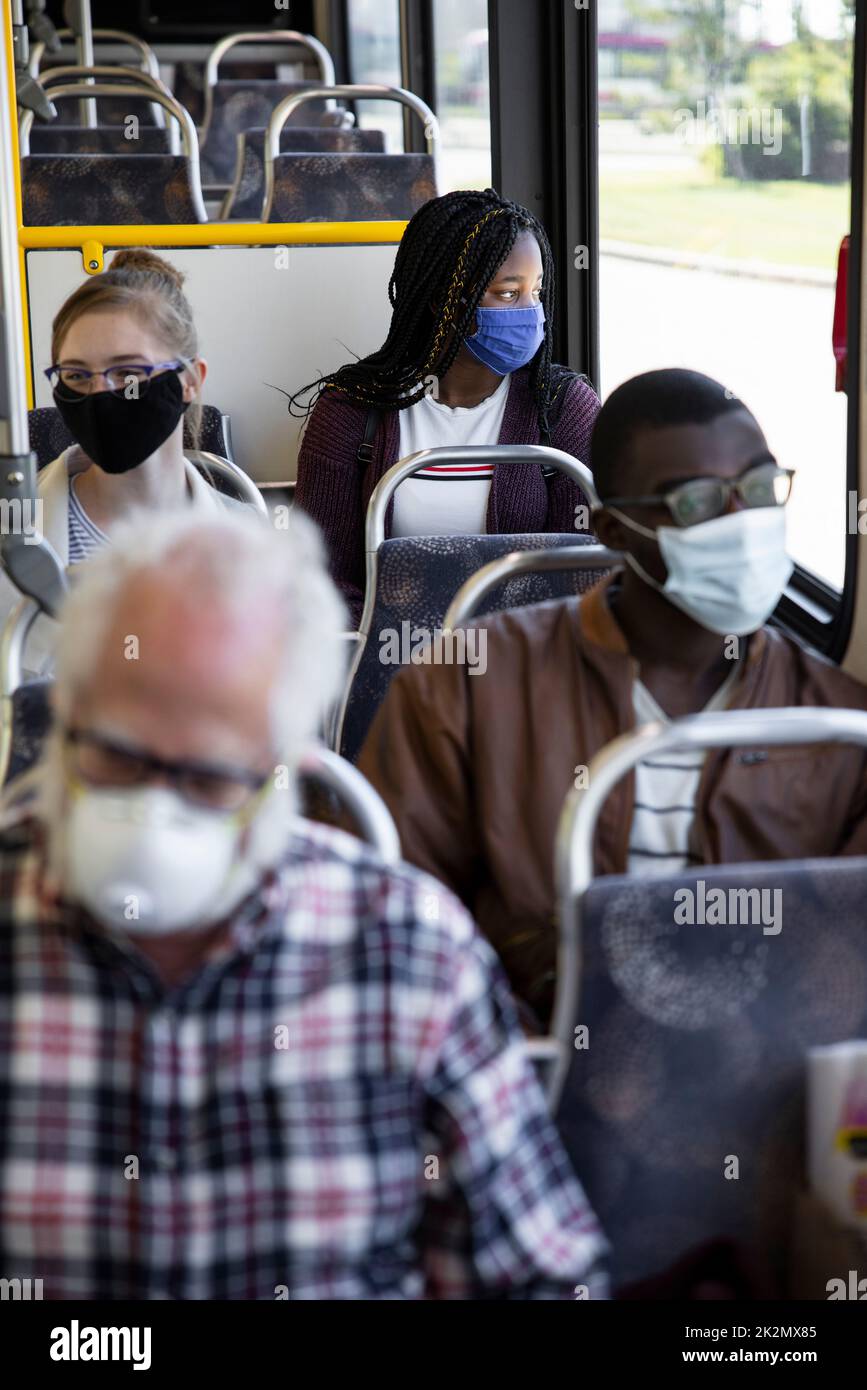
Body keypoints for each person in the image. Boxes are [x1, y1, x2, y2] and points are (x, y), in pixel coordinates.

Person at [0, 507, 607, 1300]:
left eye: (210, 776)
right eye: (116, 754)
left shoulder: (407, 955)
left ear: (282, 769)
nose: (154, 809)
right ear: (66, 719)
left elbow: (539, 1279)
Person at [357, 369, 867, 1025]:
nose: (745, 524)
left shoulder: (836, 726)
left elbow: (844, 967)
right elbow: (398, 930)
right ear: (614, 531)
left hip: (768, 1085)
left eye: (761, 489)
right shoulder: (463, 687)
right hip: (527, 1063)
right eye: (697, 503)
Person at [292, 189, 600, 626]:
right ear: (445, 302)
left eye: (537, 292)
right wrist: (402, 657)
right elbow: (323, 579)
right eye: (509, 294)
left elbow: (585, 574)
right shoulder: (352, 412)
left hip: (526, 661)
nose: (532, 313)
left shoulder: (562, 409)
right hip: (394, 665)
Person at [0, 248, 256, 676]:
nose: (100, 394)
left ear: (190, 381)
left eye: (128, 375)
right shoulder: (15, 539)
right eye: (77, 375)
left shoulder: (250, 539)